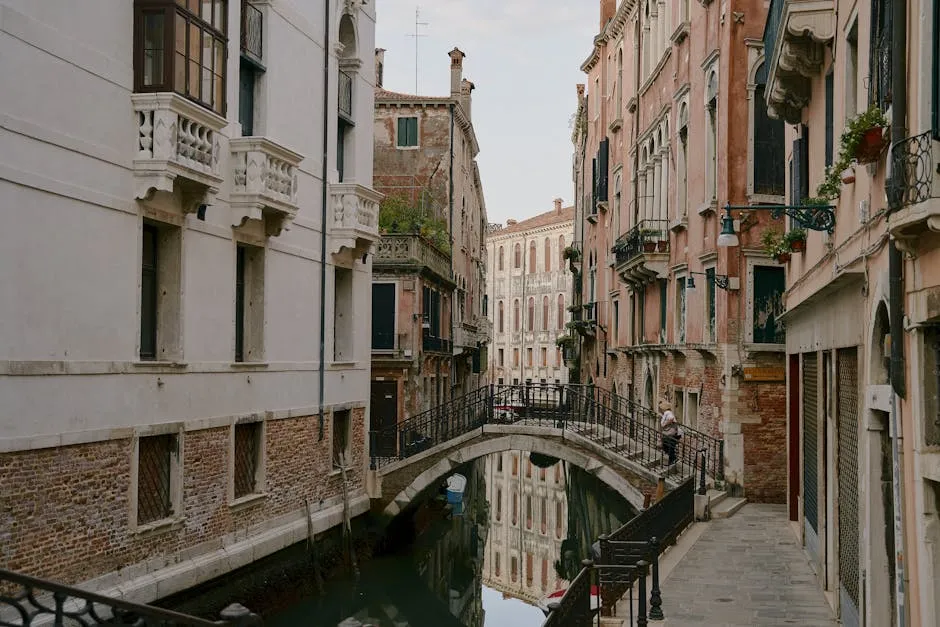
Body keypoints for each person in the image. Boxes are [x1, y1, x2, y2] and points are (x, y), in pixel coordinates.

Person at [659, 400, 679, 466]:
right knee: (669, 446)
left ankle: (673, 459)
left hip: (670, 433)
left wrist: (665, 424)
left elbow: (671, 419)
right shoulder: (667, 413)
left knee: (668, 445)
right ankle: (671, 460)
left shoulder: (667, 413)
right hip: (671, 432)